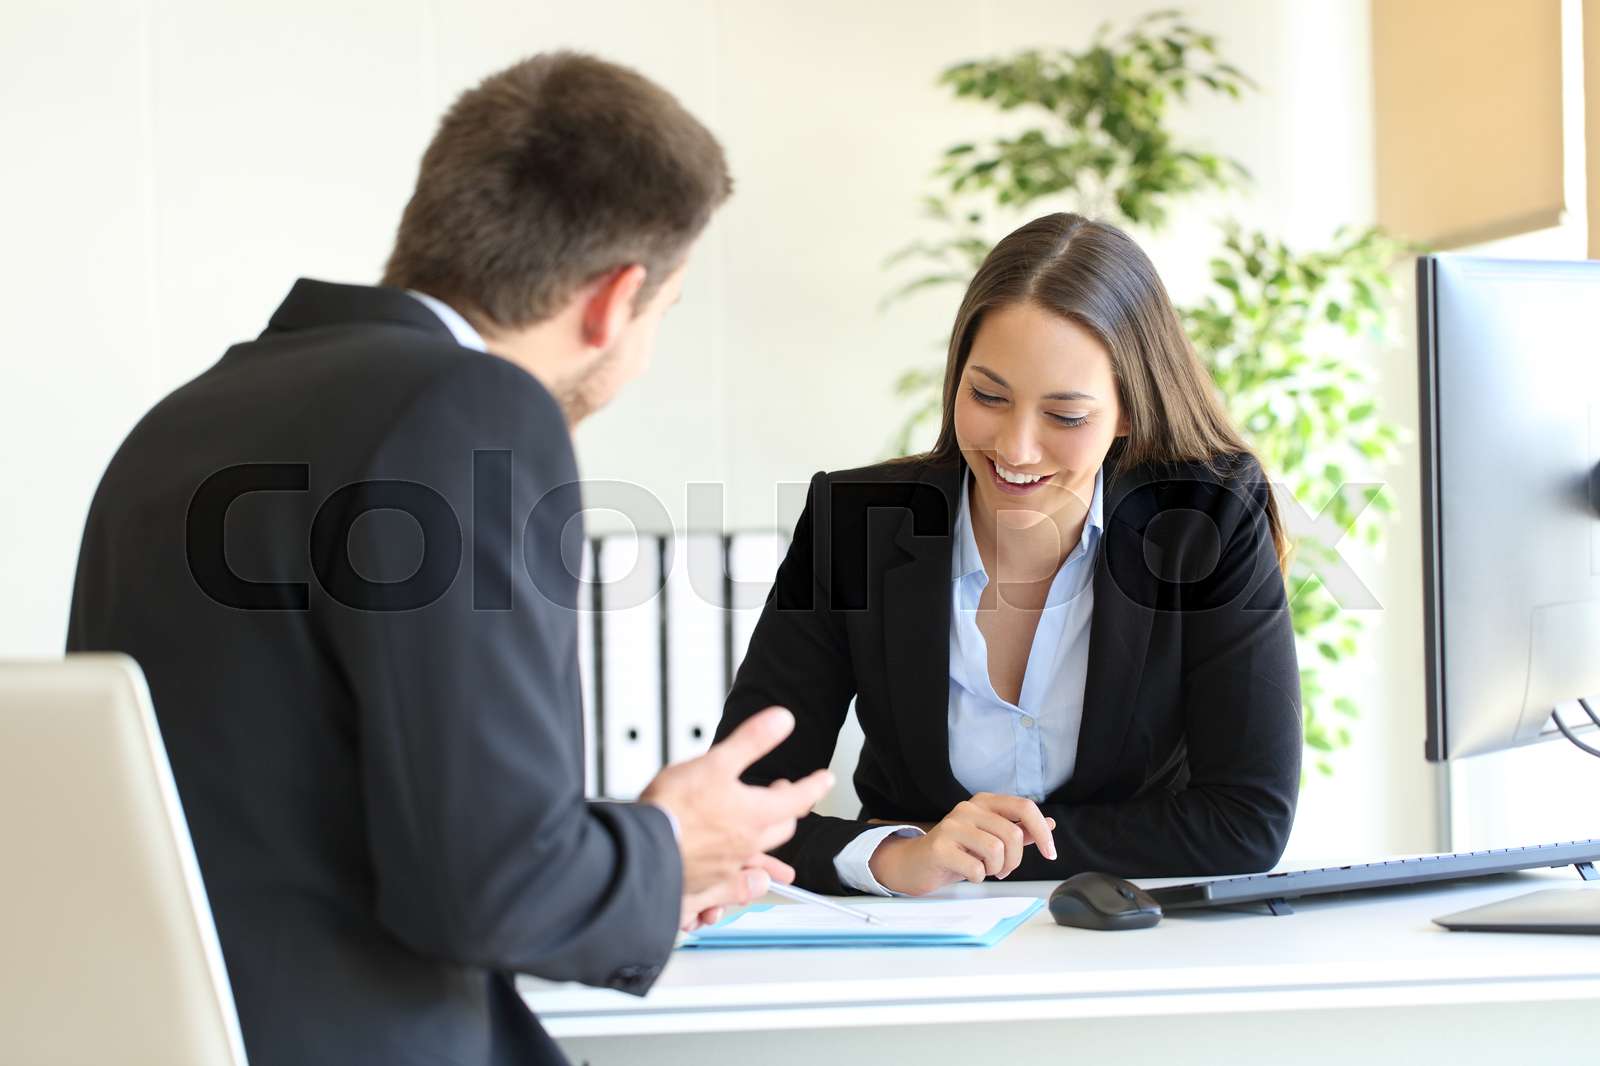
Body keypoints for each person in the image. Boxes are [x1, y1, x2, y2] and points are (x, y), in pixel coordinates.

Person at [66, 52, 830, 1066]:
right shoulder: (470, 408)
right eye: (665, 313)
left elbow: (300, 807)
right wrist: (665, 846)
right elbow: (490, 887)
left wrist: (629, 860)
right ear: (615, 299)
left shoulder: (188, 417)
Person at [715, 212, 1302, 897]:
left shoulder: (1208, 519)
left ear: (1129, 414)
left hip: (1135, 942)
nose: (1016, 449)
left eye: (1066, 416)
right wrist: (898, 857)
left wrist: (986, 853)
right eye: (988, 396)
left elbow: (1247, 821)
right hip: (911, 946)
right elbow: (743, 808)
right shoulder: (857, 522)